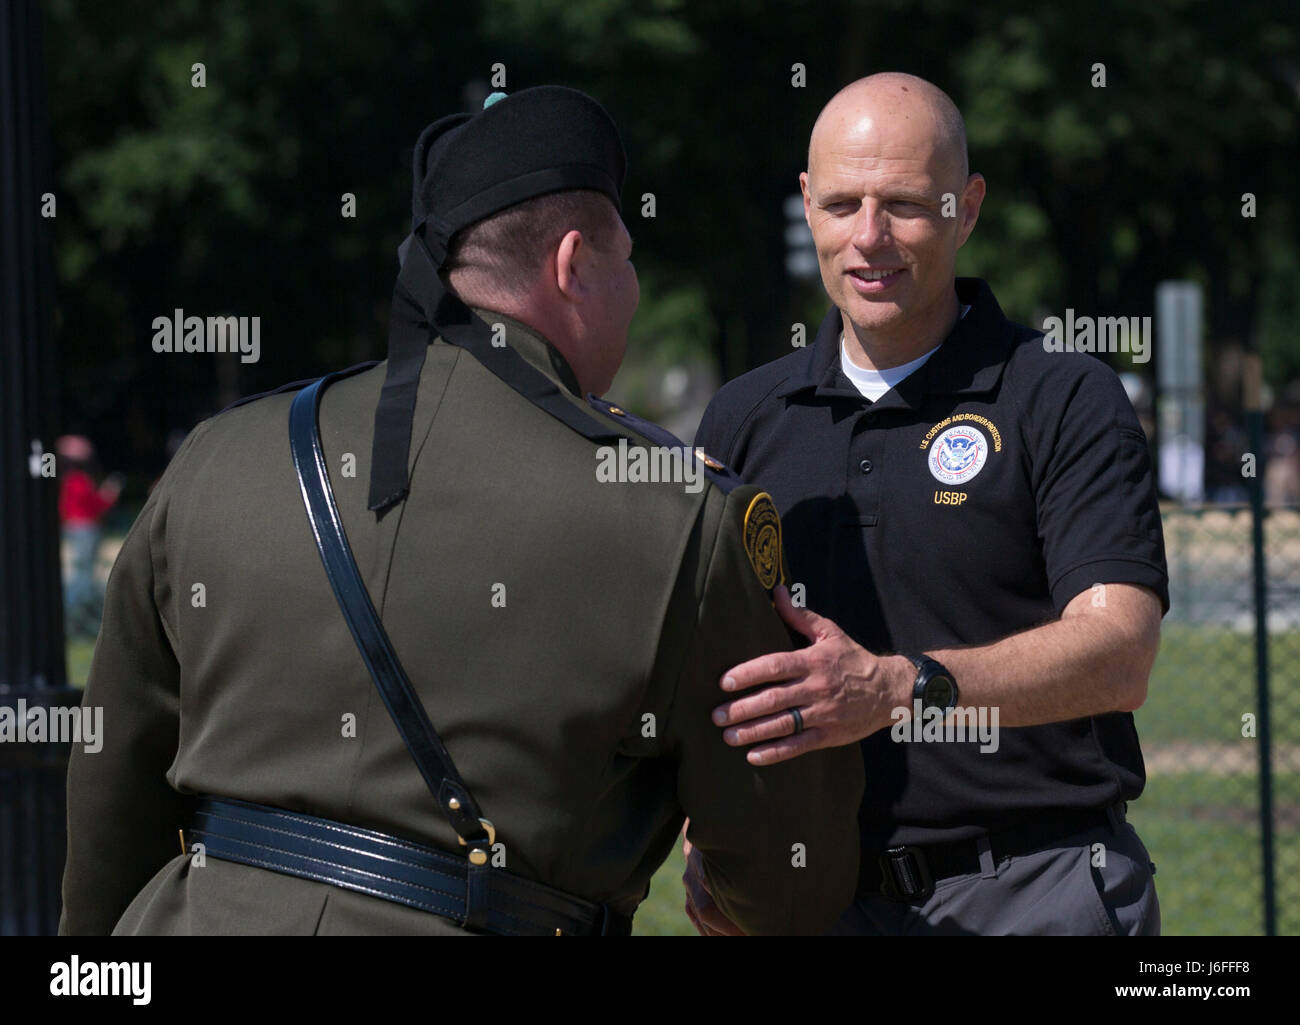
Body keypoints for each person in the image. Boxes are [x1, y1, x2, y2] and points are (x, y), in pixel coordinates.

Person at [59, 86, 863, 937]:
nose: (632, 287)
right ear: (574, 262)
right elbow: (782, 886)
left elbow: (114, 791)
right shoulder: (683, 517)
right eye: (626, 258)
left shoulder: (217, 456)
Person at [687, 73, 1168, 935]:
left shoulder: (1062, 397)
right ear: (806, 204)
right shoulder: (744, 415)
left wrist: (898, 688)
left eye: (904, 204)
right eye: (841, 204)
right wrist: (710, 838)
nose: (869, 237)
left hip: (1035, 891)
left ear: (967, 206)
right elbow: (713, 653)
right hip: (815, 901)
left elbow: (1118, 652)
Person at [56, 434, 122, 638]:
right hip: (85, 529)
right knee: (83, 574)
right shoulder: (79, 481)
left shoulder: (65, 481)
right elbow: (97, 506)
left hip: (74, 527)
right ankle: (77, 618)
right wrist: (111, 494)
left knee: (82, 571)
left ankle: (76, 617)